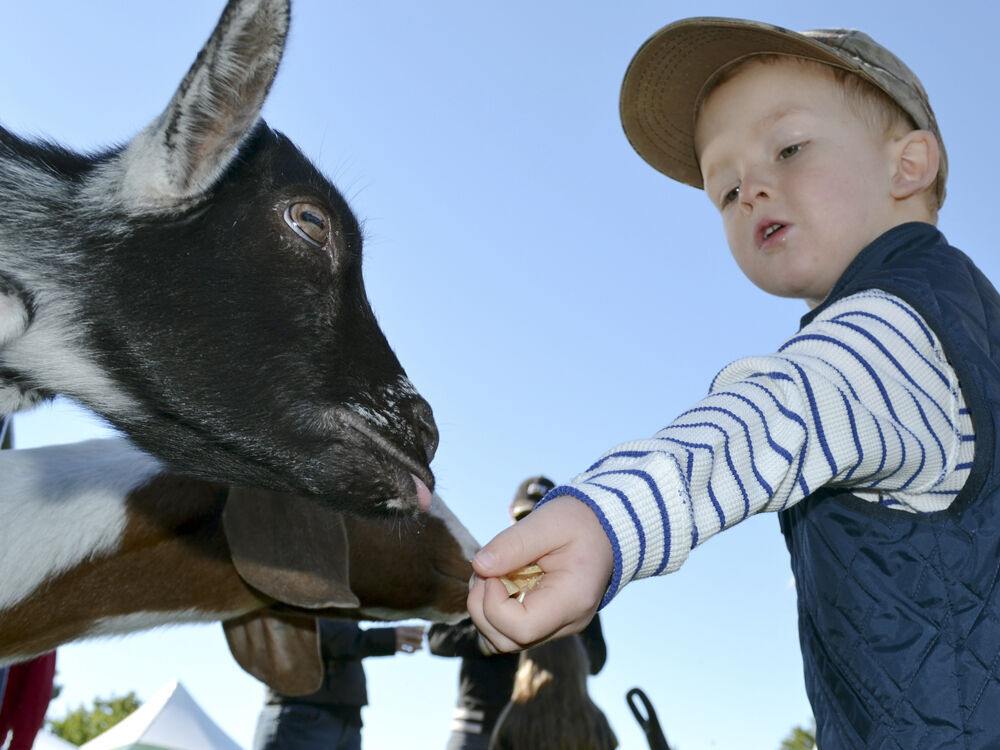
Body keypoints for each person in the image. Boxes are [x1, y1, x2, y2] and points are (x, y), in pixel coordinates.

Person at [468, 17, 1000, 748]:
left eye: (788, 148)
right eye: (724, 189)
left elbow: (776, 415)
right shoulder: (963, 326)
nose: (751, 189)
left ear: (909, 165)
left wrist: (608, 519)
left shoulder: (898, 330)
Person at [429, 476, 607, 750]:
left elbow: (597, 659)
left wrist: (553, 634)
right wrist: (485, 641)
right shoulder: (484, 569)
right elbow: (438, 638)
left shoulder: (574, 583)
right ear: (511, 512)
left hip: (540, 732)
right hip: (478, 726)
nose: (529, 525)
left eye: (539, 516)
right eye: (523, 516)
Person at [252, 619, 425, 750]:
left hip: (344, 718)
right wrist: (379, 639)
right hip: (302, 717)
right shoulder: (292, 578)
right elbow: (309, 629)